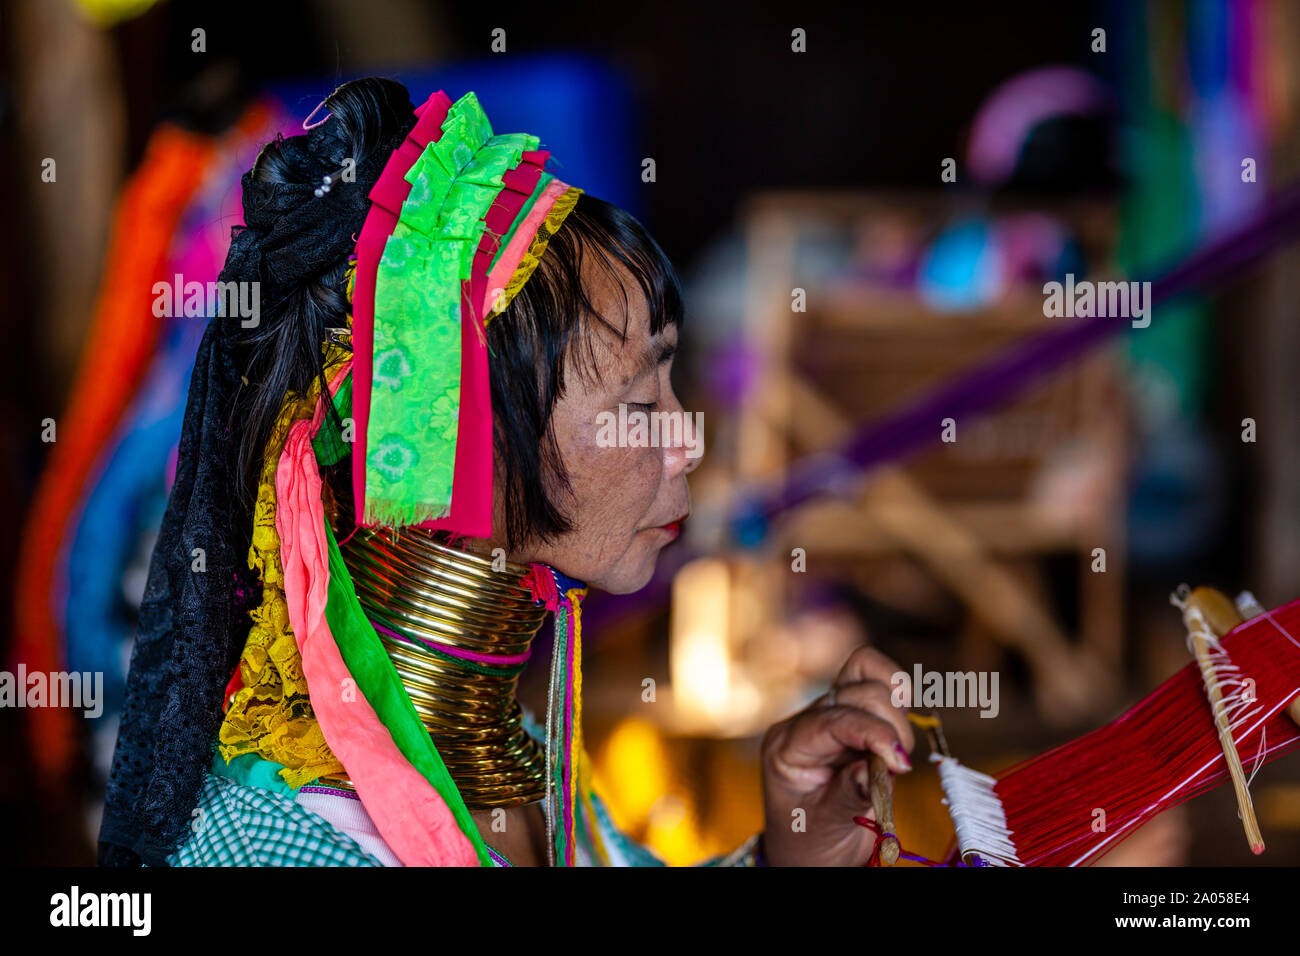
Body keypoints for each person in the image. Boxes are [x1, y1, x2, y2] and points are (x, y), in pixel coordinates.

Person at [99, 76, 913, 867]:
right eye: (637, 403)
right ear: (457, 442)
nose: (686, 442)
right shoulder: (279, 848)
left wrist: (789, 850)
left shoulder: (521, 761)